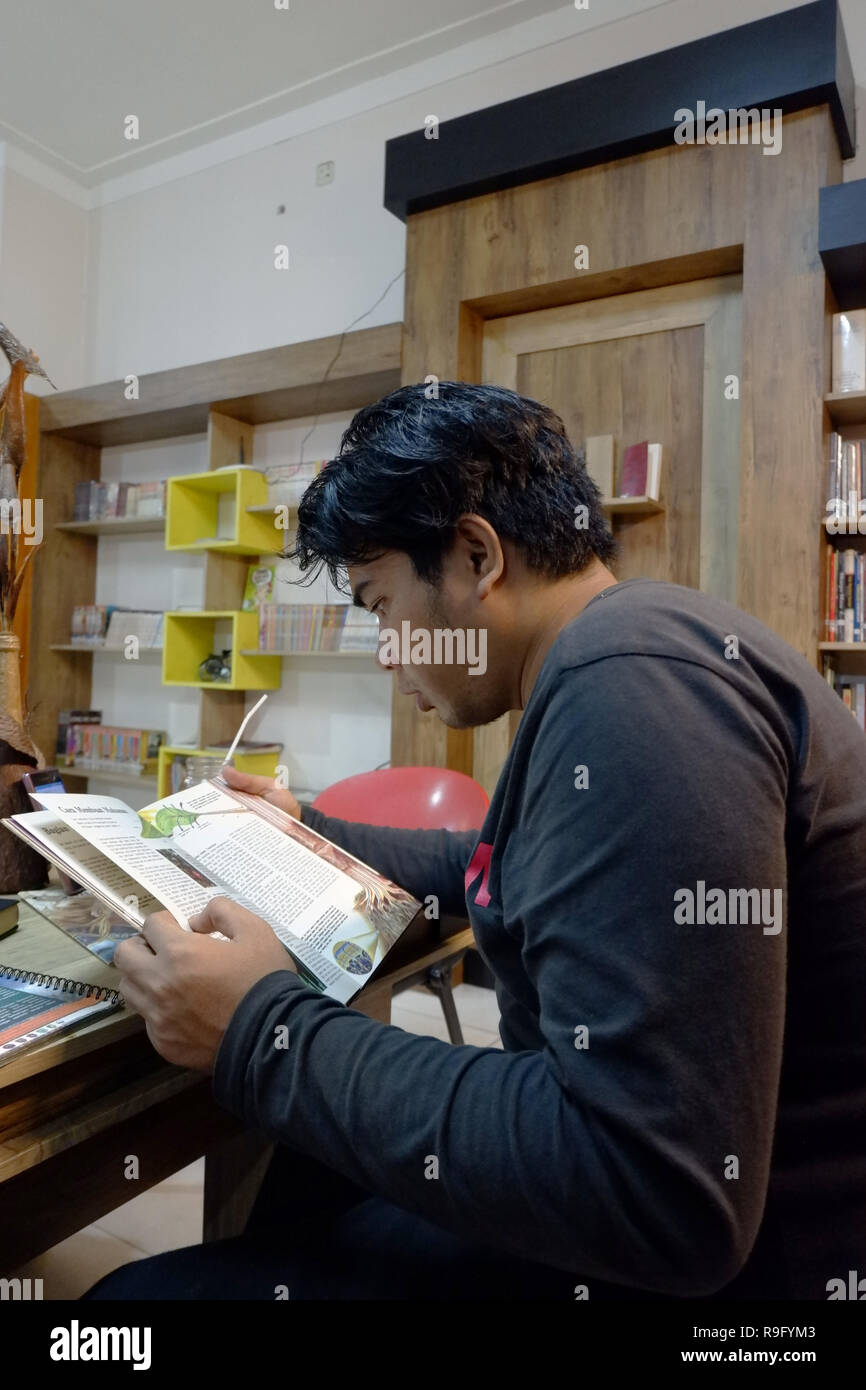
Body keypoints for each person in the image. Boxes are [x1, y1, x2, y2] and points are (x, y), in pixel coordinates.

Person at [86, 382, 866, 1300]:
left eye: (379, 604)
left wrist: (261, 1030)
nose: (384, 649)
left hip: (736, 1287)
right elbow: (506, 868)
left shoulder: (633, 692)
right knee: (308, 1172)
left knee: (114, 1317)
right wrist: (313, 832)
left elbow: (657, 1194)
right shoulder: (627, 651)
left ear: (473, 554)